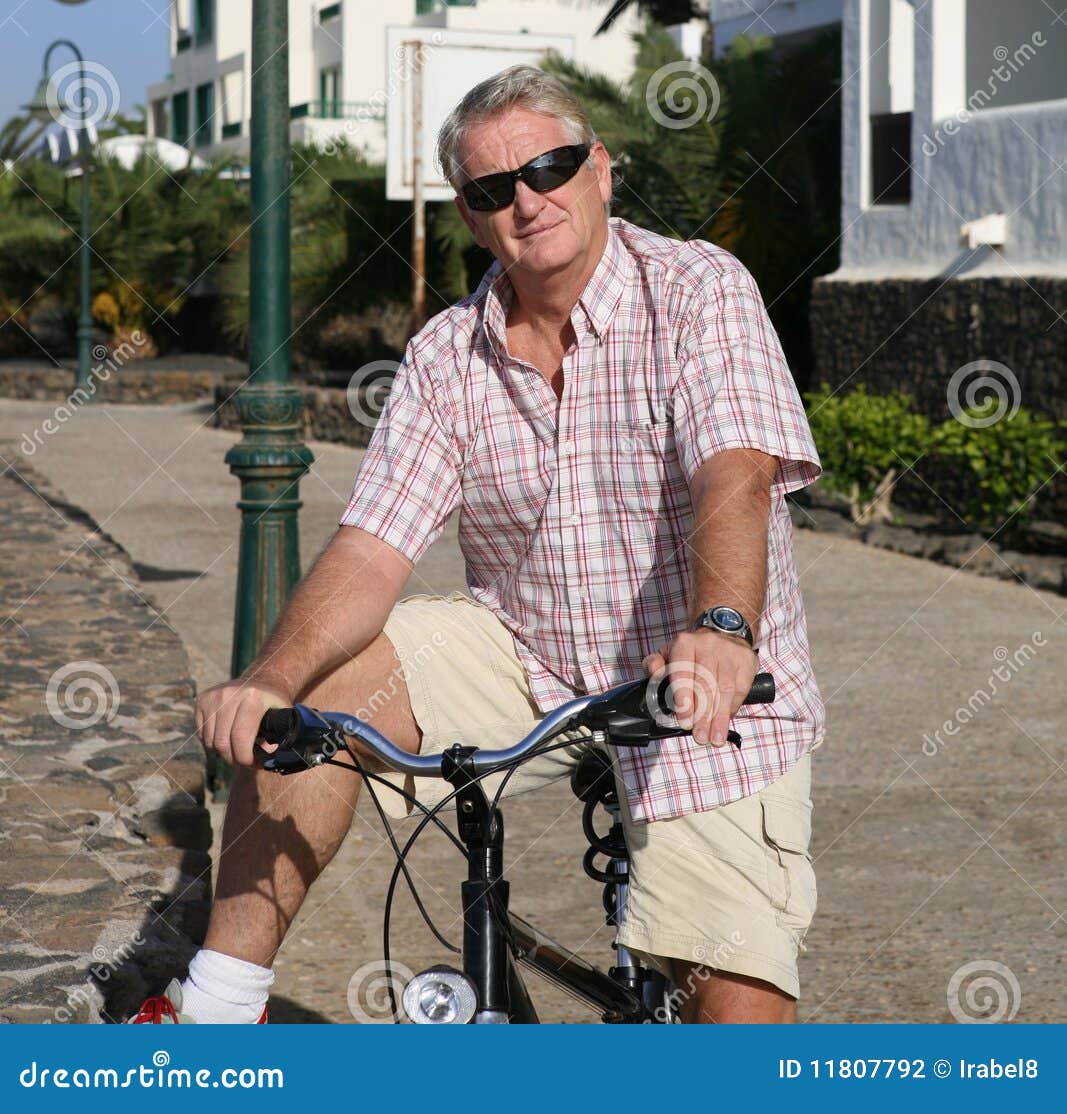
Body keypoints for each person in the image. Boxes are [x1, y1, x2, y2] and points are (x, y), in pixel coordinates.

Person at [130, 65, 824, 1027]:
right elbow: (375, 545)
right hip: (528, 653)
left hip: (697, 676)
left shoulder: (699, 288)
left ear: (601, 170)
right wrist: (271, 677)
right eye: (495, 189)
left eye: (550, 166)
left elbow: (733, 476)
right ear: (469, 212)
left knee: (732, 1014)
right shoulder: (444, 352)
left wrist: (719, 625)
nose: (529, 201)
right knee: (315, 702)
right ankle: (213, 1013)